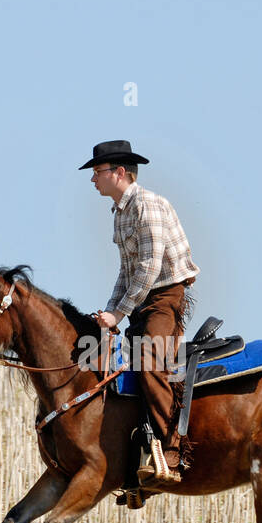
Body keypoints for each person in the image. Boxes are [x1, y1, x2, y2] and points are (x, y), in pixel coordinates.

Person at [81, 140, 200, 484]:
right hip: (144, 297)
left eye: (97, 172)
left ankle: (173, 452)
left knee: (150, 360)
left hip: (165, 296)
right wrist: (109, 312)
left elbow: (148, 267)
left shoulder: (147, 206)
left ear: (119, 172)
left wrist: (119, 314)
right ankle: (141, 454)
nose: (93, 180)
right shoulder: (119, 213)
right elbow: (126, 271)